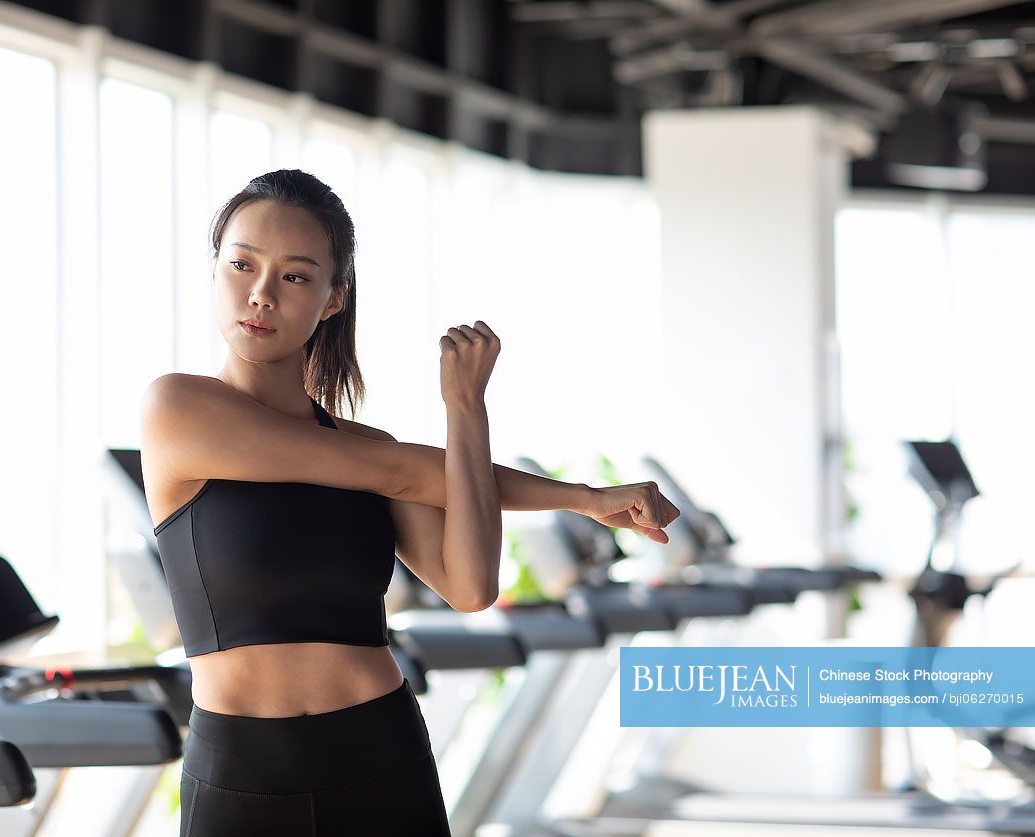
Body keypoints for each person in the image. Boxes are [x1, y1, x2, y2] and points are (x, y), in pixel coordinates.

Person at [139, 169, 680, 836]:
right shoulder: (178, 409)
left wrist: (465, 408)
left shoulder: (375, 453)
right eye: (241, 264)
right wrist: (585, 498)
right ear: (214, 270)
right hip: (241, 772)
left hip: (380, 754)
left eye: (296, 276)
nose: (260, 294)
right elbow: (402, 472)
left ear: (333, 298)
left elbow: (470, 583)